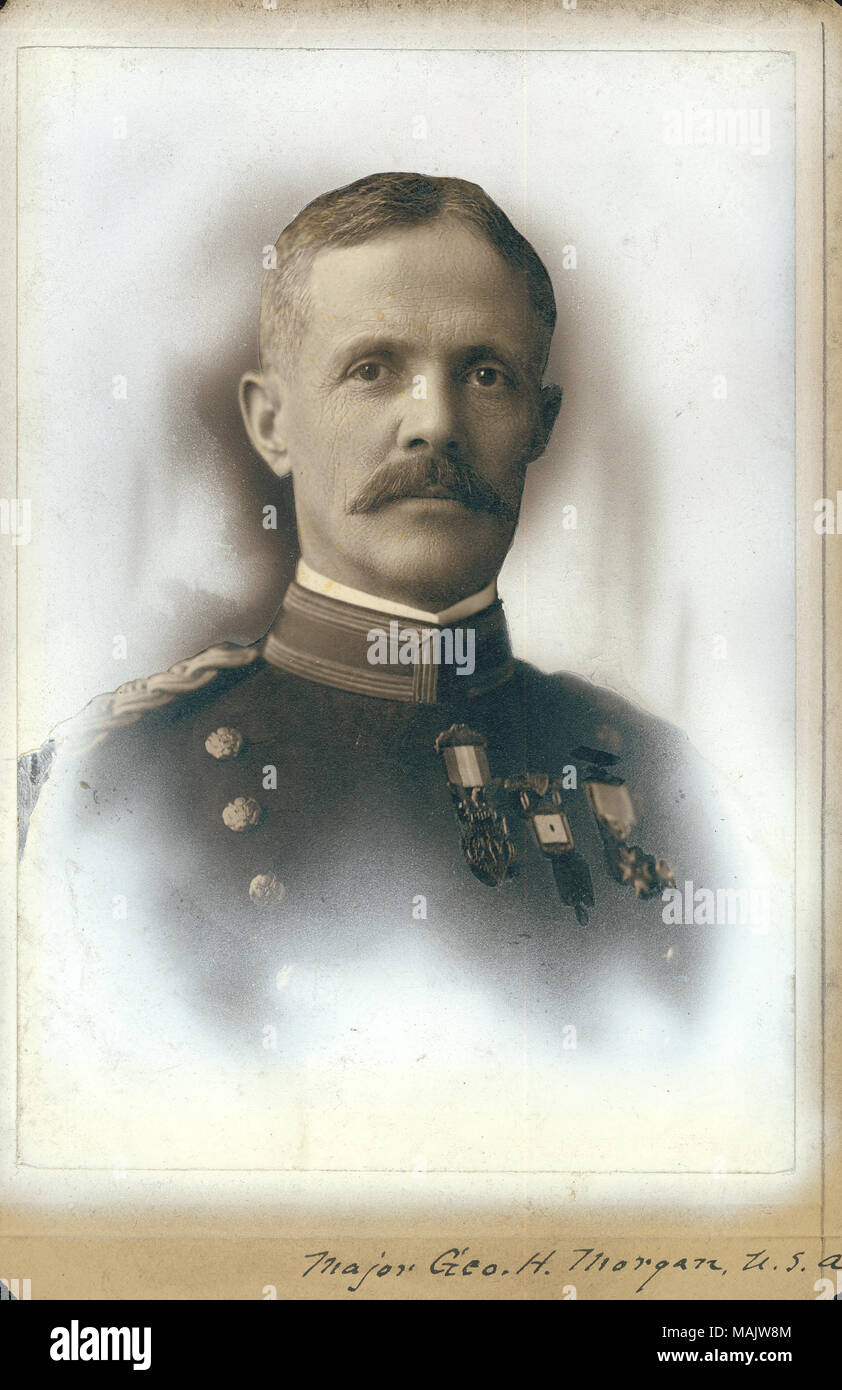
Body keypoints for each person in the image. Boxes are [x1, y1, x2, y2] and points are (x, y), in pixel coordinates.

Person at [17, 174, 785, 1171]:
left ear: (539, 423)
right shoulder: (99, 794)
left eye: (484, 373)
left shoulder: (668, 788)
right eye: (373, 368)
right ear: (270, 423)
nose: (434, 423)